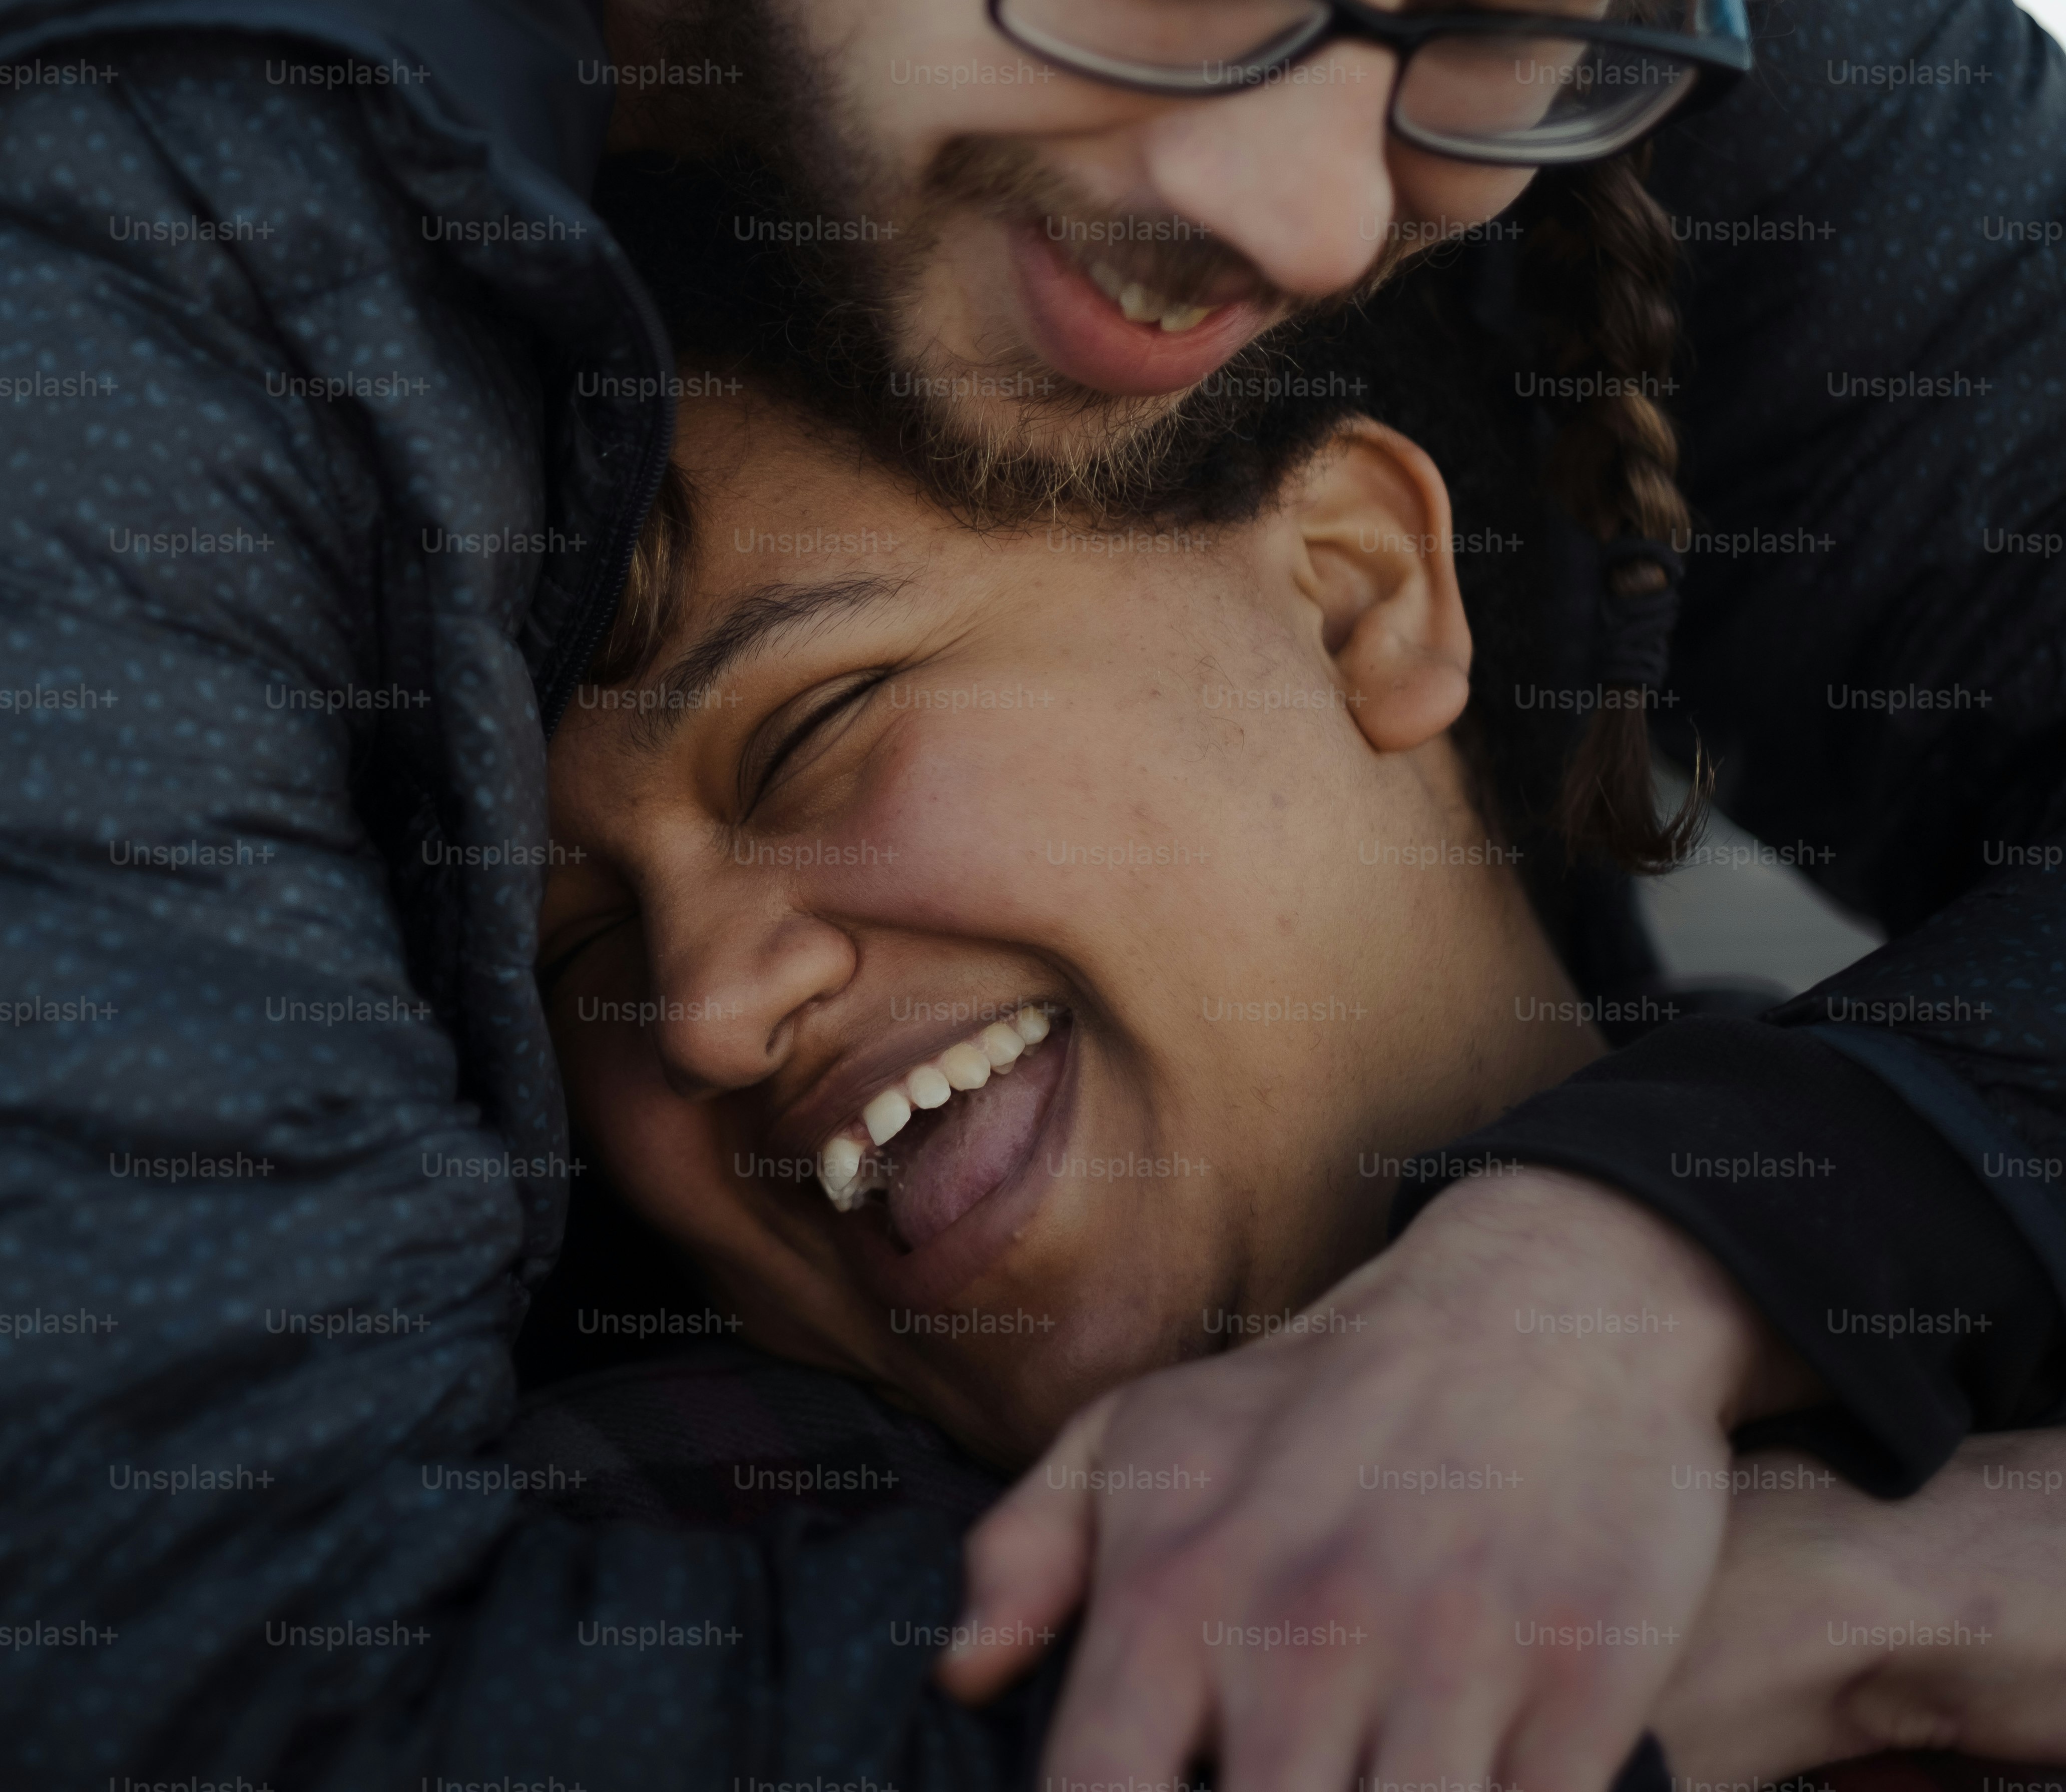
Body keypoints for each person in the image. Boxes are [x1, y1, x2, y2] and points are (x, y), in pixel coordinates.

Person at [0, 0, 2066, 1784]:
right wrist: (1693, 1653)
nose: (1319, 214)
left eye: (1512, 21)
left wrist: (1615, 1281)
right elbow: (206, 1667)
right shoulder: (77, 215)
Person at [533, 374, 2066, 1787]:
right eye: (576, 954)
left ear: (1353, 596)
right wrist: (1831, 1618)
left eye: (808, 731)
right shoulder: (638, 1549)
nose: (703, 1015)